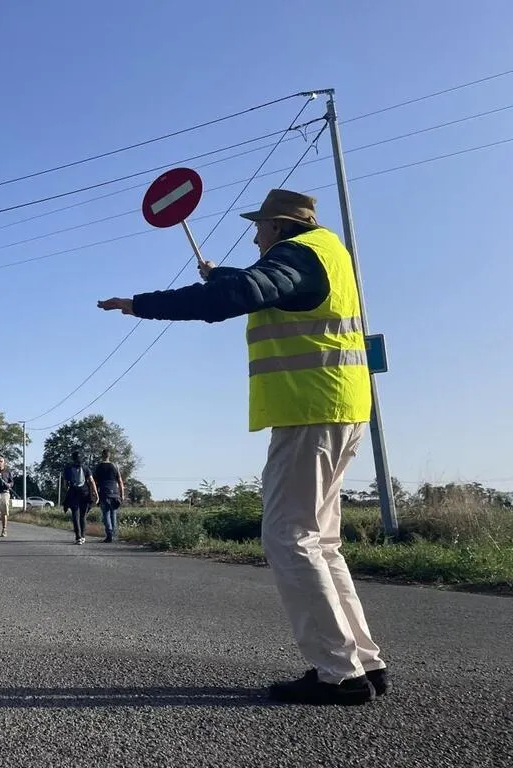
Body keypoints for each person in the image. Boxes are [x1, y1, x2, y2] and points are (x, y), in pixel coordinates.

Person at [97, 188, 389, 706]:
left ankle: (337, 673)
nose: (255, 235)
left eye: (260, 227)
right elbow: (264, 287)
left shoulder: (296, 254)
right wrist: (224, 273)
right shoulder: (326, 252)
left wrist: (143, 304)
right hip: (338, 407)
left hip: (308, 411)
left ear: (279, 227)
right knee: (320, 542)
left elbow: (242, 296)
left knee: (288, 537)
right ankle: (362, 660)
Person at [62, 450, 98, 545]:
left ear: (72, 458)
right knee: (83, 516)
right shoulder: (86, 468)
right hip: (85, 494)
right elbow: (91, 481)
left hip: (73, 493)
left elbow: (65, 485)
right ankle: (83, 536)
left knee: (75, 516)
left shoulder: (68, 469)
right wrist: (95, 493)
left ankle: (78, 537)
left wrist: (68, 490)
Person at [93, 448, 125, 543]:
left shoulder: (98, 467)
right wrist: (122, 494)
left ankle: (109, 534)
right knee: (113, 513)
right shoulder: (115, 466)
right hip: (115, 493)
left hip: (104, 493)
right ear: (109, 455)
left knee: (106, 514)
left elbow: (93, 481)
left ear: (102, 455)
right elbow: (120, 481)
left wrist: (94, 493)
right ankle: (113, 534)